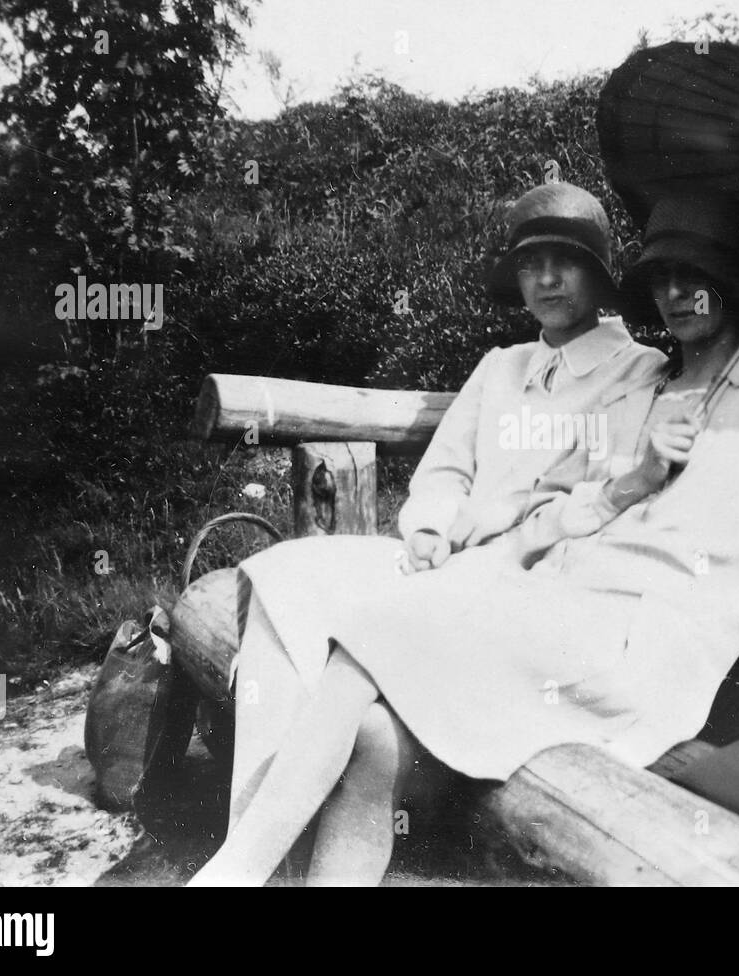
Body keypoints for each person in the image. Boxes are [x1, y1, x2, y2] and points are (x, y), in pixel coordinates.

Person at [191, 193, 739, 887]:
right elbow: (557, 503)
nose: (679, 294)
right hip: (557, 608)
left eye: (698, 276)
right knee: (375, 738)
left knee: (371, 638)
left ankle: (231, 875)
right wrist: (633, 477)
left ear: (735, 279)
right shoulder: (646, 390)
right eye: (664, 277)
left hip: (648, 642)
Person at [223, 180, 666, 841]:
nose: (545, 280)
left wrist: (508, 512)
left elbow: (599, 499)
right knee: (282, 576)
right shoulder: (502, 367)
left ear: (600, 277)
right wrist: (429, 526)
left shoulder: (638, 372)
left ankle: (246, 860)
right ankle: (247, 844)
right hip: (442, 565)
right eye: (528, 265)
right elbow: (447, 470)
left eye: (564, 263)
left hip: (526, 587)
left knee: (357, 653)